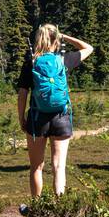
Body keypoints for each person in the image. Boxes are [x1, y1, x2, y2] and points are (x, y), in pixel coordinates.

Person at [16, 23, 93, 202]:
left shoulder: (31, 62)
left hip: (37, 119)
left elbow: (22, 94)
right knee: (59, 167)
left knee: (36, 167)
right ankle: (59, 207)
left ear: (38, 39)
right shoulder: (63, 60)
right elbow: (88, 48)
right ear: (55, 39)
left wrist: (22, 118)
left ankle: (36, 206)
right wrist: (64, 36)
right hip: (61, 117)